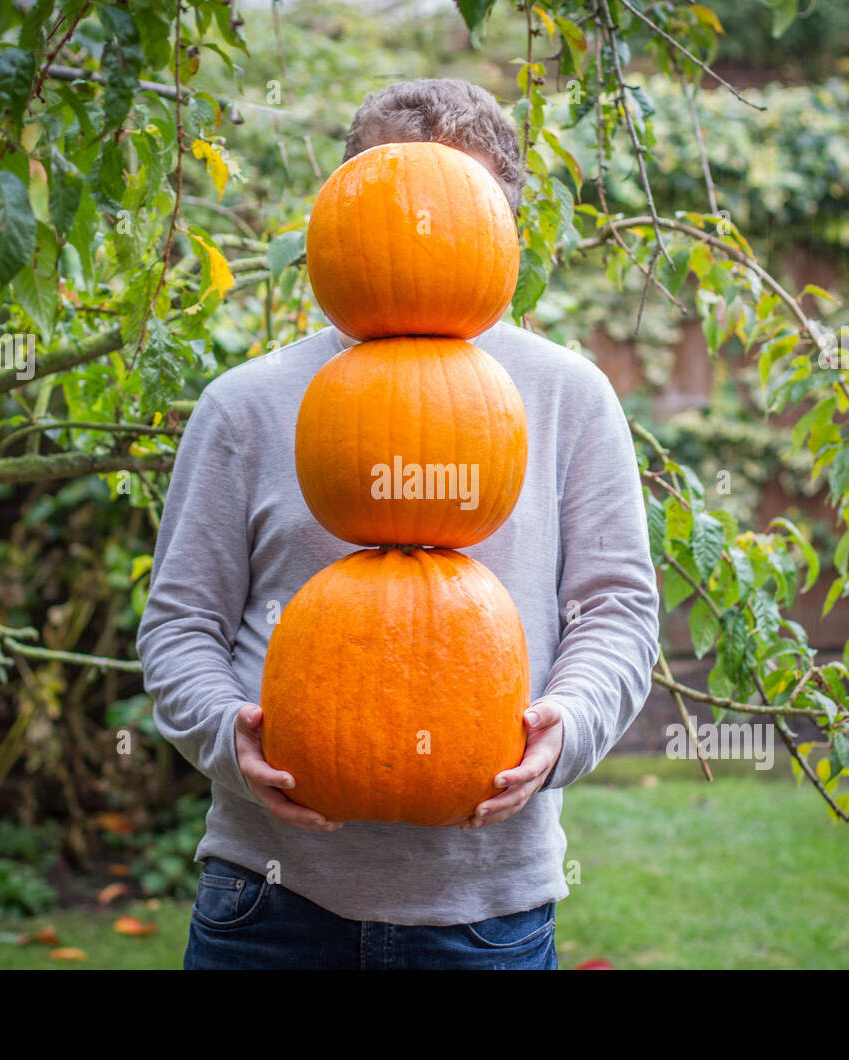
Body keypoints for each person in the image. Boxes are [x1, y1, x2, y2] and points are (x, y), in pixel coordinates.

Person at [136, 78, 660, 970]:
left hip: (486, 907)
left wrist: (564, 728)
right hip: (269, 894)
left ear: (501, 229)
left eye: (452, 203)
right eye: (392, 195)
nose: (421, 224)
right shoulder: (246, 405)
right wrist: (232, 737)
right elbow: (180, 625)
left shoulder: (568, 397)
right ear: (342, 209)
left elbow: (616, 611)